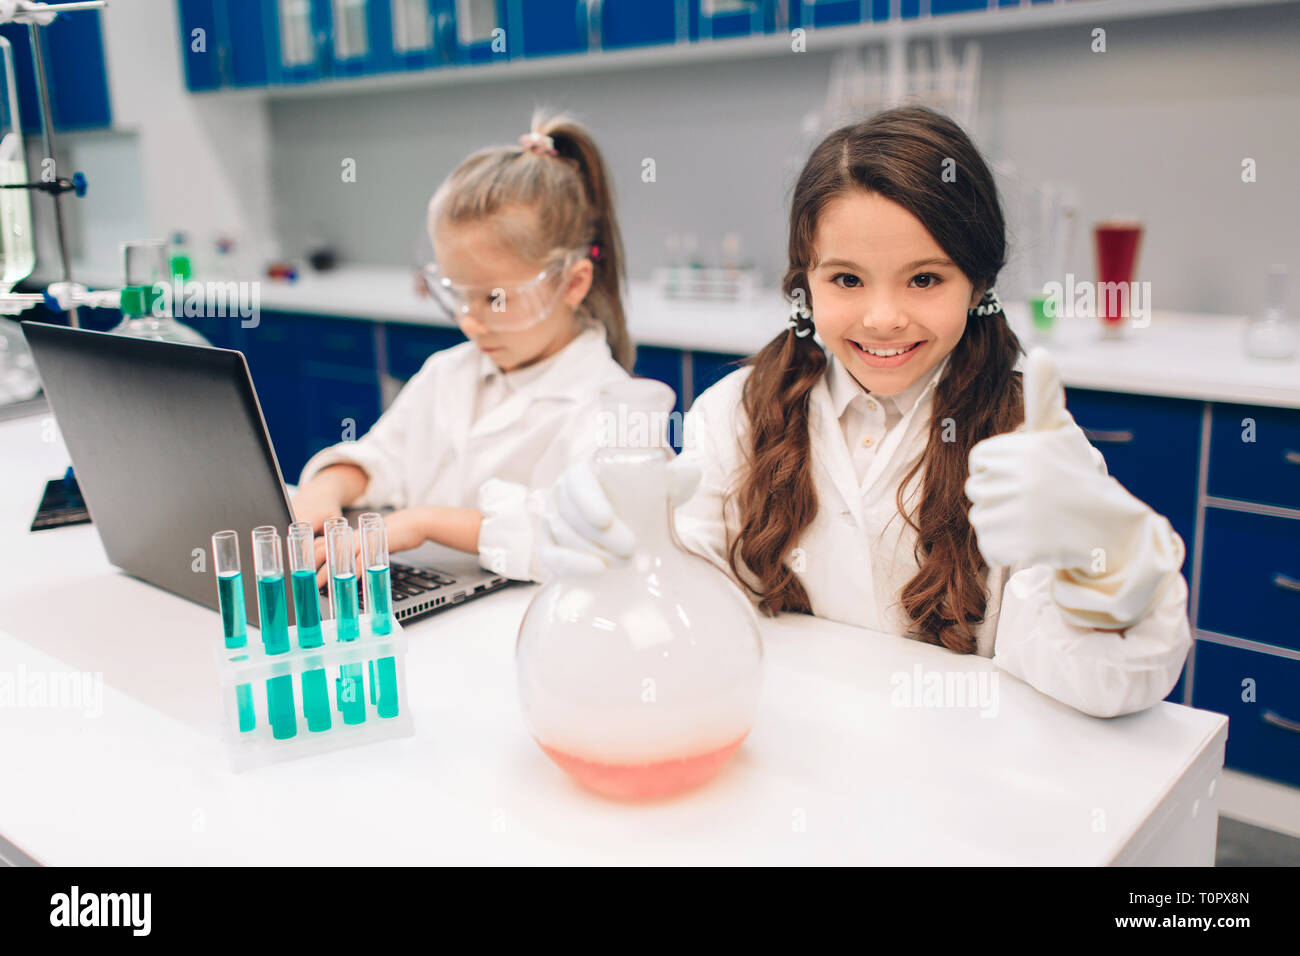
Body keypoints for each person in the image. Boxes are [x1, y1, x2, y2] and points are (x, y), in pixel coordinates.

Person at [541, 106, 1189, 719]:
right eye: (847, 280)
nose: (882, 317)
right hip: (790, 762)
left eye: (925, 279)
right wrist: (624, 540)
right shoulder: (736, 414)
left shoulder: (1026, 440)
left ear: (979, 285)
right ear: (806, 281)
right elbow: (685, 615)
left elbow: (1104, 683)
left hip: (956, 791)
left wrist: (1106, 556)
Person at [293, 112, 633, 582]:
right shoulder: (447, 372)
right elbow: (385, 458)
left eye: (495, 297)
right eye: (458, 293)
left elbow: (581, 537)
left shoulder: (607, 409)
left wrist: (423, 522)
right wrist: (326, 489)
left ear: (572, 283)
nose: (469, 320)